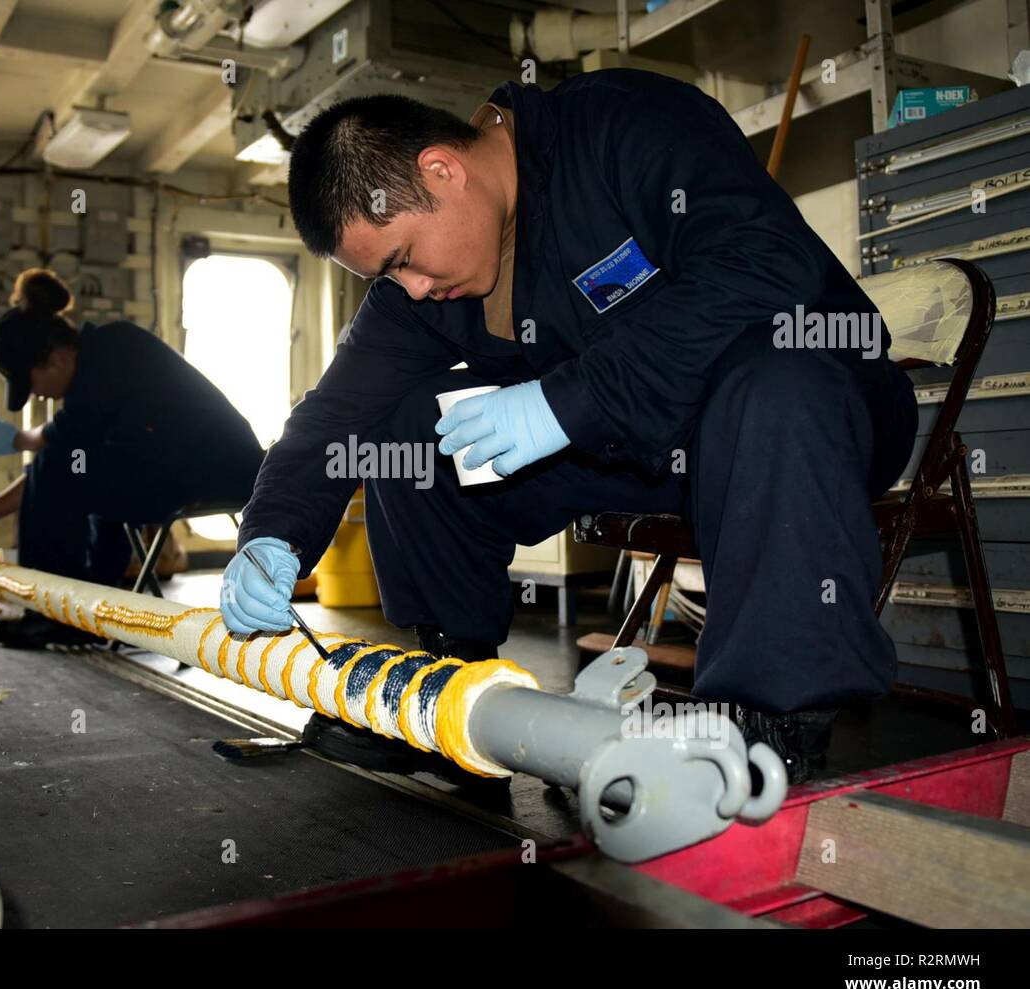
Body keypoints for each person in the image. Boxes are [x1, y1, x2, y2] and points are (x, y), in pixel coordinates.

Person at [218, 70, 919, 784]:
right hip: (652, 450)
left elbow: (768, 270)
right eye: (388, 280)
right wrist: (272, 533)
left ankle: (775, 729)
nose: (414, 290)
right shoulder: (425, 291)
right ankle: (452, 685)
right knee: (405, 432)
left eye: (402, 260)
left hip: (814, 408)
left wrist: (569, 402)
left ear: (442, 169)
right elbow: (336, 415)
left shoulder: (628, 124)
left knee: (774, 380)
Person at [0, 268, 265, 649]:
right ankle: (92, 610)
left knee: (68, 469)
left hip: (218, 470)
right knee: (83, 469)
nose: (37, 396)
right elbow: (65, 457)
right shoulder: (101, 359)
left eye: (32, 382)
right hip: (186, 467)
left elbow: (53, 452)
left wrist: (21, 442)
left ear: (55, 359)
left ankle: (54, 613)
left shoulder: (110, 355)